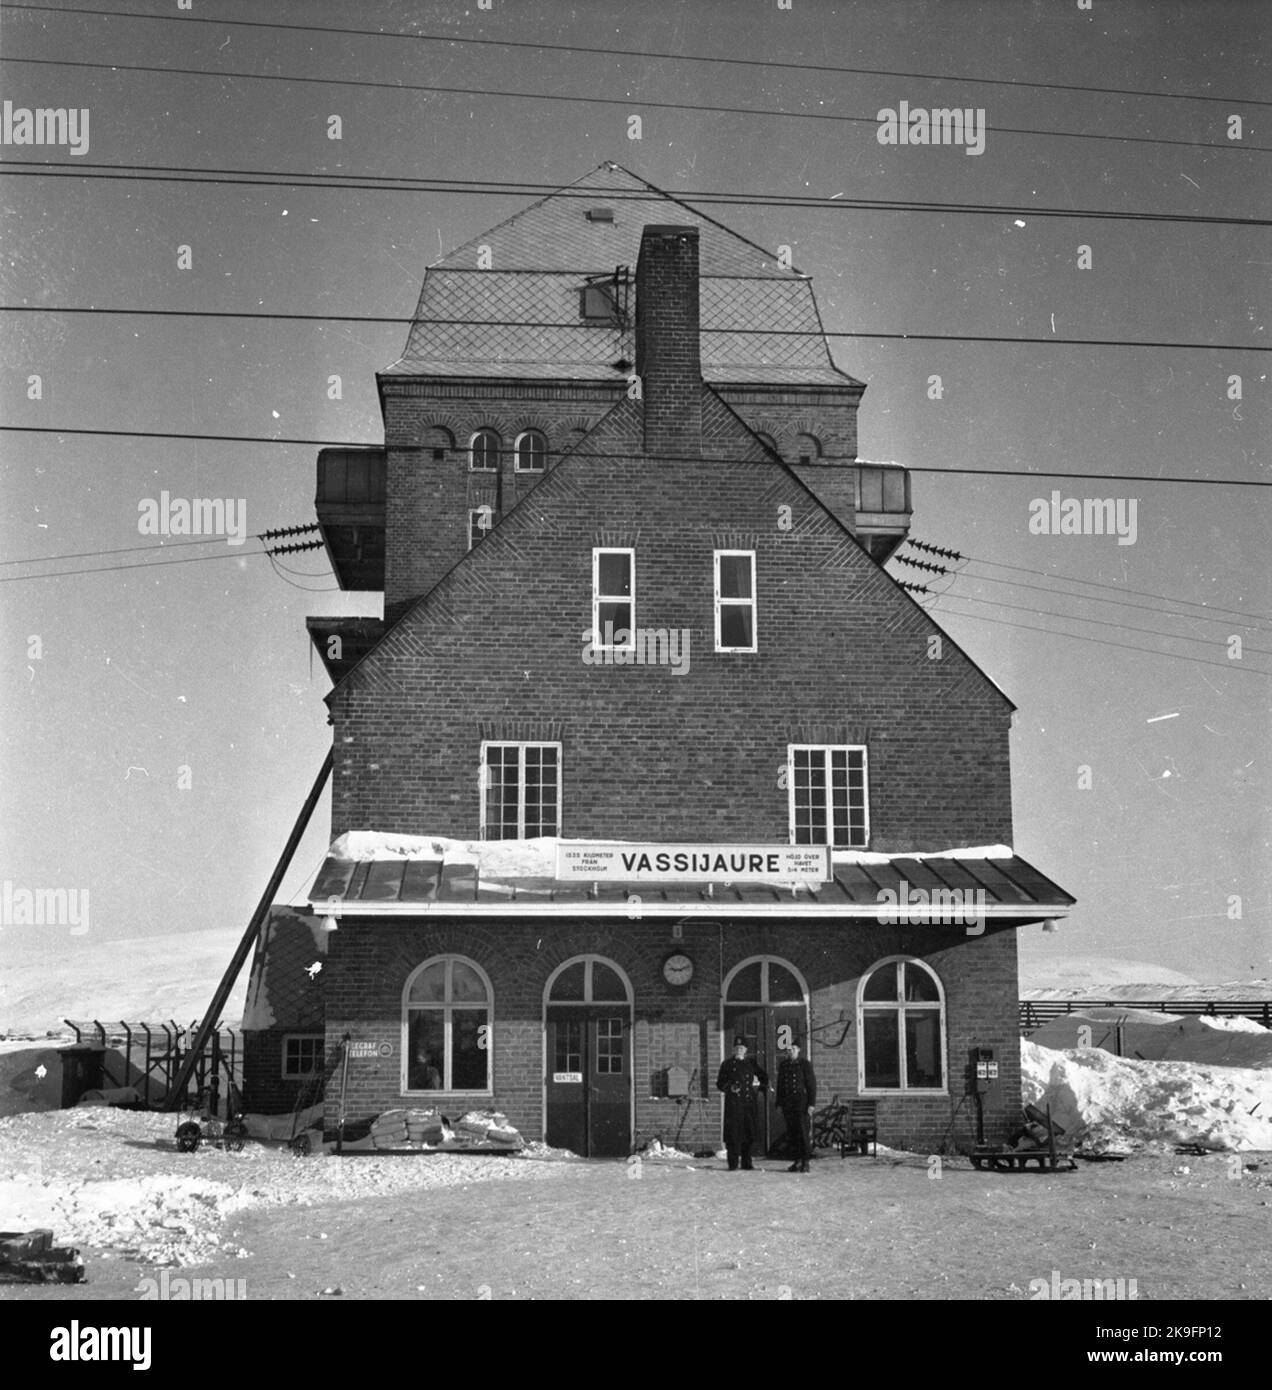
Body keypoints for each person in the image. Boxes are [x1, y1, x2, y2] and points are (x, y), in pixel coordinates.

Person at [716, 1036, 768, 1170]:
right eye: (737, 1048)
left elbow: (764, 1076)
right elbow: (720, 1083)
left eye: (742, 1048)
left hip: (748, 1103)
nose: (739, 1050)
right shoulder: (727, 1064)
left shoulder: (751, 1063)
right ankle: (732, 1163)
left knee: (748, 1134)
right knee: (733, 1135)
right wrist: (730, 1087)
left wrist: (760, 1088)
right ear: (734, 1049)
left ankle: (747, 1162)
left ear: (746, 1050)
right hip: (733, 1104)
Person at [776, 1039, 817, 1172]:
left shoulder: (805, 1064)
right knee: (792, 1134)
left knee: (803, 1133)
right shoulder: (784, 1065)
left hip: (801, 1104)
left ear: (798, 1050)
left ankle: (805, 1161)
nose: (791, 1051)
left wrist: (811, 1104)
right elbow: (780, 1085)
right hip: (788, 1105)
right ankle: (797, 1160)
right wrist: (779, 1103)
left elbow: (811, 1085)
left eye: (793, 1049)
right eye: (788, 1049)